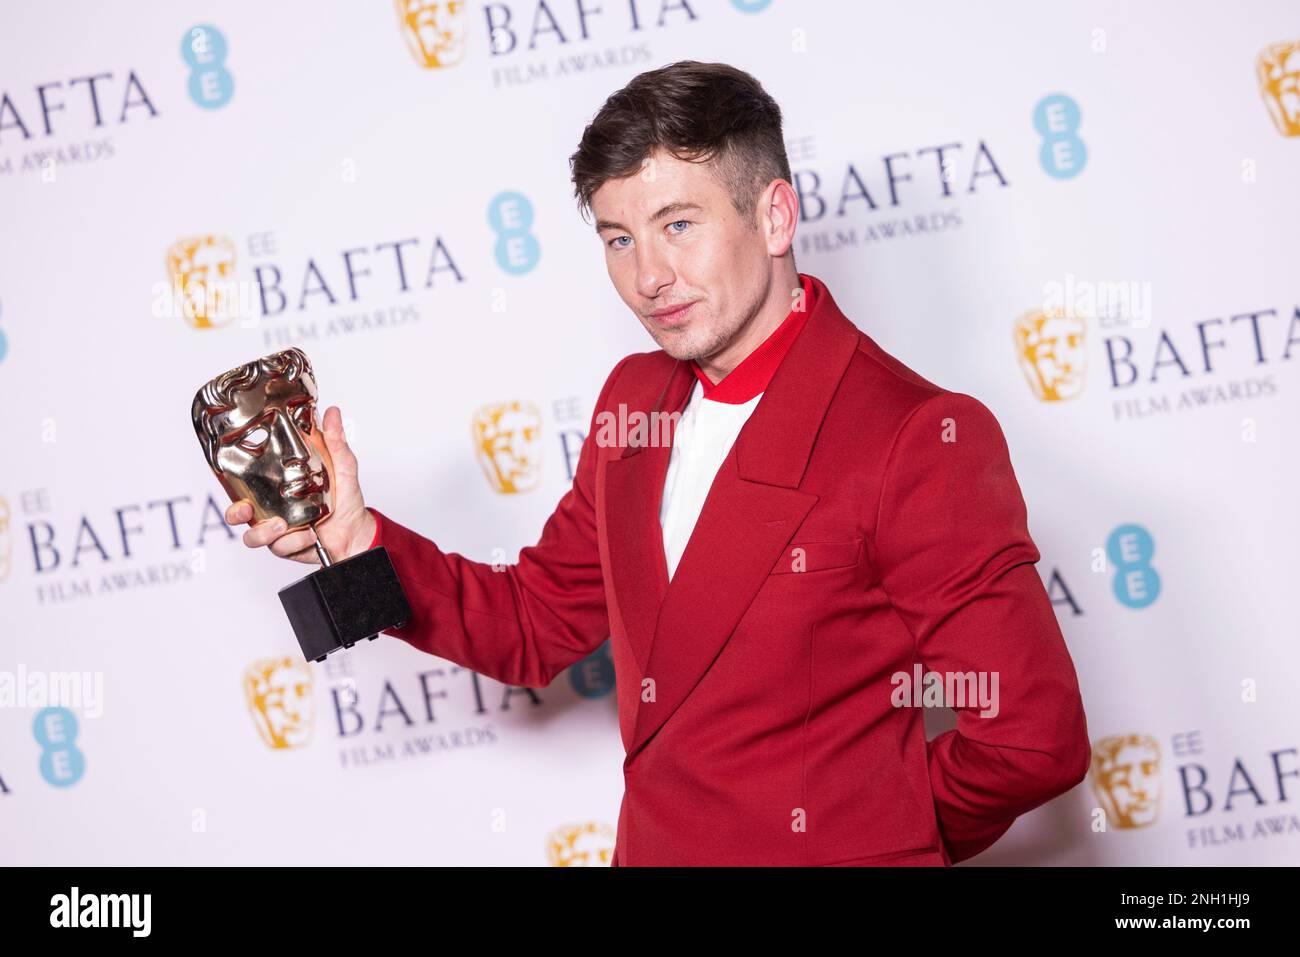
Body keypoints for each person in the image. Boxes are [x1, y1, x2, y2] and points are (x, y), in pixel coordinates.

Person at [225, 60, 1090, 867]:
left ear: (776, 216)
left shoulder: (919, 436)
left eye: (679, 225)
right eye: (619, 239)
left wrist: (863, 836)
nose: (650, 276)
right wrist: (356, 537)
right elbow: (532, 624)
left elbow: (1031, 740)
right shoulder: (635, 400)